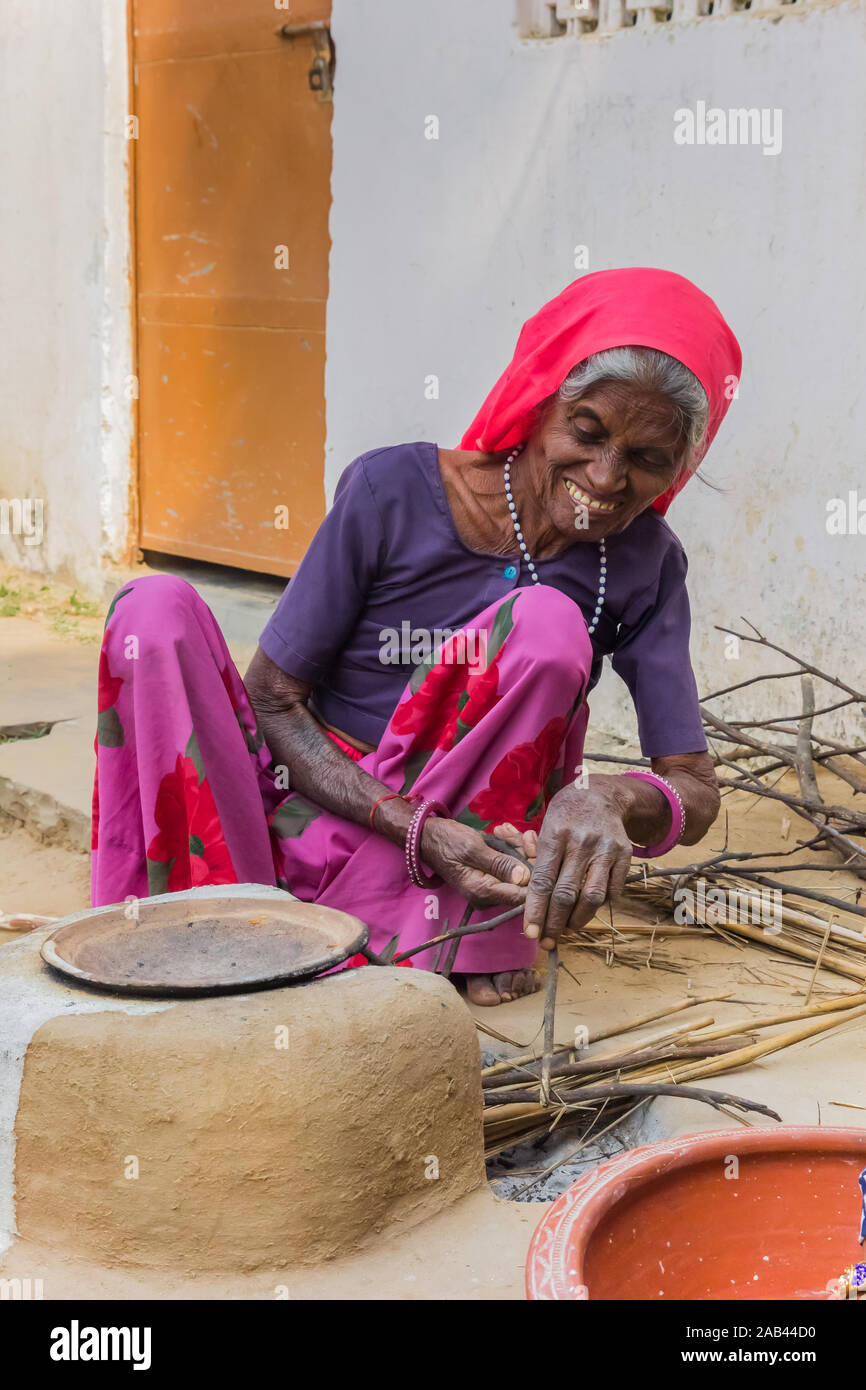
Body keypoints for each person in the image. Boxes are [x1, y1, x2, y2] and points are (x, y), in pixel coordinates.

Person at [92, 267, 741, 1006]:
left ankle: (440, 935)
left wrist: (607, 798)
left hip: (453, 875)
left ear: (678, 470)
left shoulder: (645, 563)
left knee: (547, 623)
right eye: (585, 433)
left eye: (647, 460)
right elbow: (272, 701)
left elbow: (694, 787)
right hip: (293, 815)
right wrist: (415, 827)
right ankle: (202, 913)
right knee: (152, 609)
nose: (603, 475)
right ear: (537, 403)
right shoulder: (392, 490)